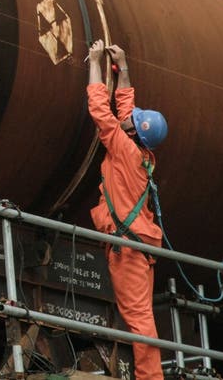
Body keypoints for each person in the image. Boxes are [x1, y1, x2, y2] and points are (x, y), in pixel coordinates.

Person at [86, 40, 168, 380]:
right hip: (139, 245)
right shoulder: (142, 154)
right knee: (141, 315)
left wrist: (93, 63)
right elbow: (124, 109)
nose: (127, 120)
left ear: (133, 132)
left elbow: (101, 114)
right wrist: (124, 67)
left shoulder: (123, 150)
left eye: (131, 122)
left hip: (129, 250)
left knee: (139, 319)